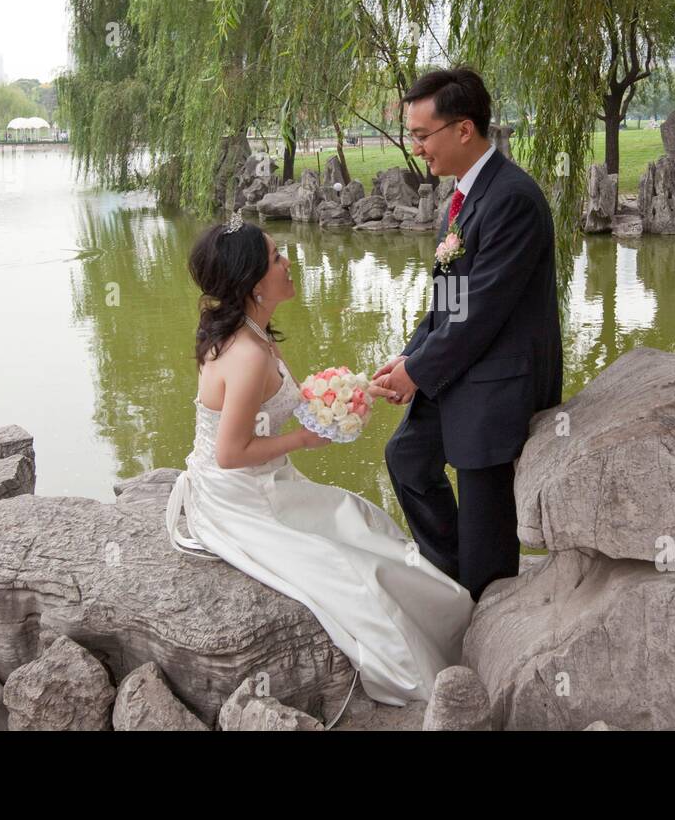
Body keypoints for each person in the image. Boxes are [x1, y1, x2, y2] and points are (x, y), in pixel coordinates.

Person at [165, 211, 474, 724]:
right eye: (275, 257)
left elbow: (277, 402)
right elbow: (230, 452)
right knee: (351, 573)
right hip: (241, 497)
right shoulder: (245, 355)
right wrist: (305, 438)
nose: (288, 261)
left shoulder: (251, 332)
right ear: (252, 283)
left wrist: (353, 391)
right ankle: (425, 673)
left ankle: (450, 627)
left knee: (359, 516)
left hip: (266, 482)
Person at [368, 67, 564, 602]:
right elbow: (449, 302)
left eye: (421, 135)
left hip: (497, 384)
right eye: (412, 135)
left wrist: (419, 371)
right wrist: (407, 360)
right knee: (407, 456)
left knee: (486, 533)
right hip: (456, 369)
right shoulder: (462, 199)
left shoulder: (512, 200)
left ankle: (485, 610)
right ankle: (453, 583)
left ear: (463, 129)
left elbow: (481, 311)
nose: (417, 149)